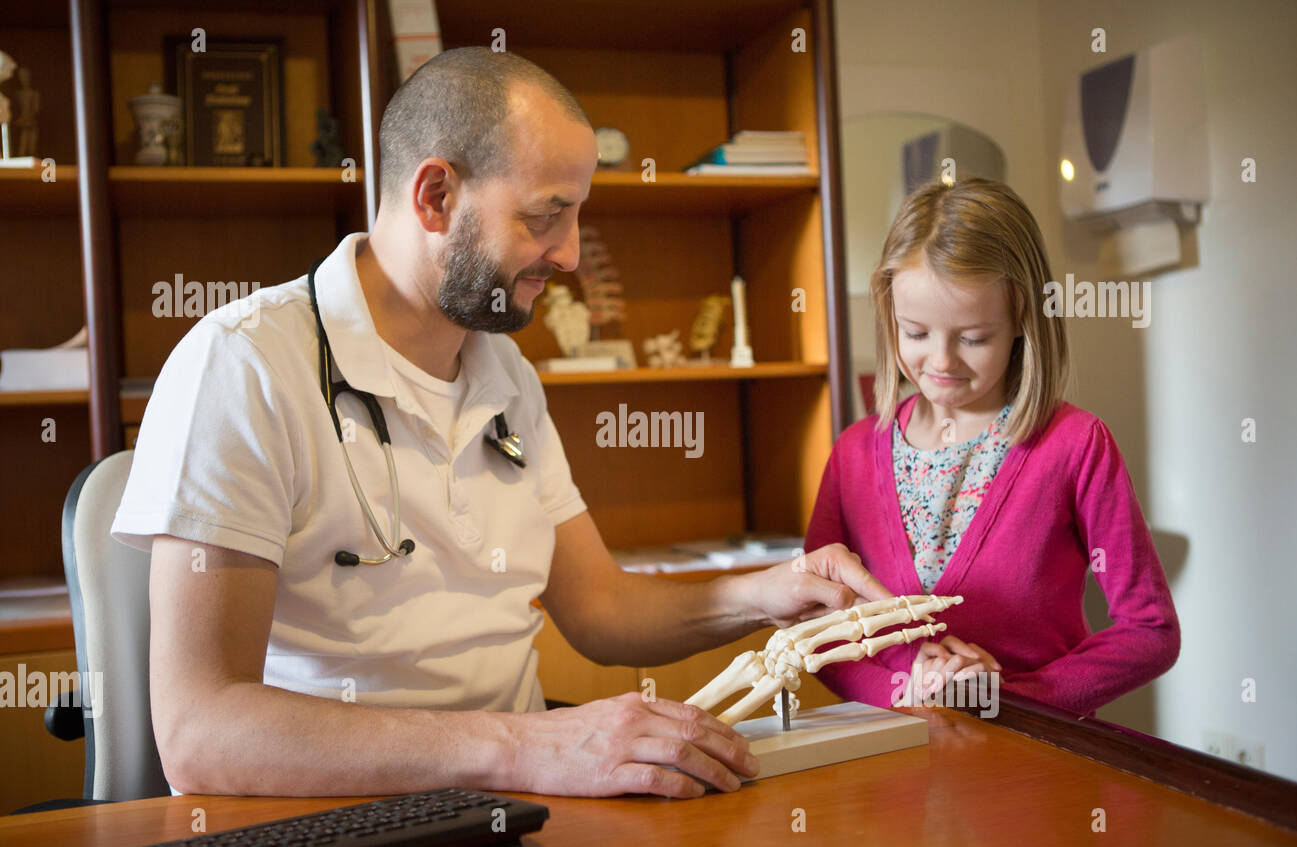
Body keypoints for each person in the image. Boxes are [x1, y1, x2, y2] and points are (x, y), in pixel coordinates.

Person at [110, 47, 890, 801]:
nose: (573, 255)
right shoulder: (244, 366)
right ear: (435, 197)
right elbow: (201, 729)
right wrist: (526, 747)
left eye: (577, 215)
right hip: (334, 818)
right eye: (547, 216)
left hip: (515, 801)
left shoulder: (505, 374)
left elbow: (602, 611)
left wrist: (772, 593)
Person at [804, 177, 1180, 717]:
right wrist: (905, 686)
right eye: (915, 333)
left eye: (974, 338)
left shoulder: (1076, 445)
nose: (941, 362)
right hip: (896, 771)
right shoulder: (853, 454)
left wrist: (1007, 698)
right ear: (889, 314)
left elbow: (1151, 630)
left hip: (1038, 768)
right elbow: (819, 630)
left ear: (1023, 318)